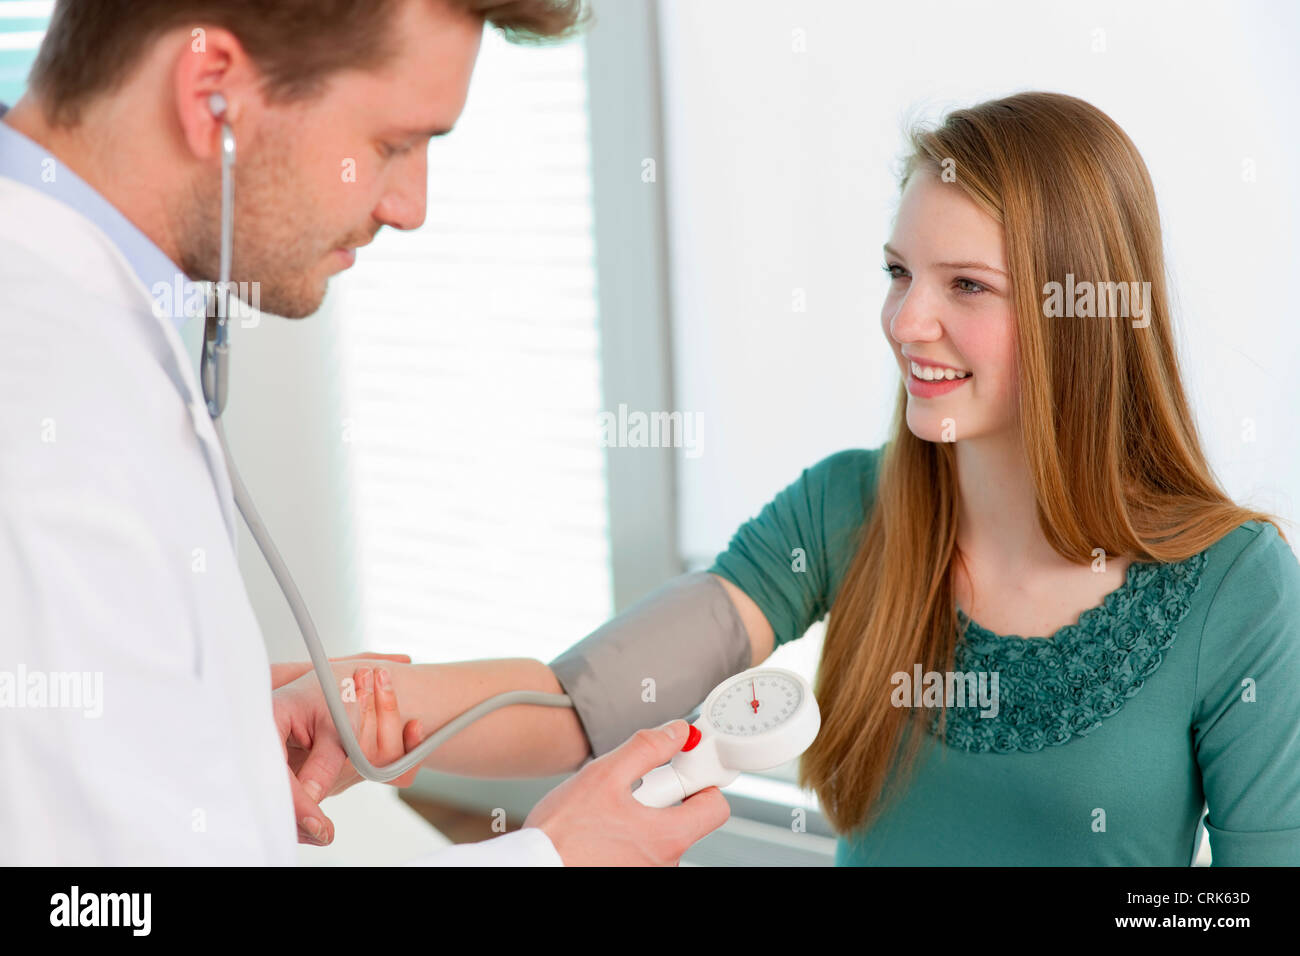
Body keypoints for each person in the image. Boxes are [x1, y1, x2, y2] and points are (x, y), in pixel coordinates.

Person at [289, 91, 1300, 866]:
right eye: (898, 272)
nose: (907, 321)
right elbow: (579, 701)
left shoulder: (1234, 580)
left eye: (965, 286)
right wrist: (363, 701)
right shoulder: (846, 510)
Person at [0, 0, 728, 866]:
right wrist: (553, 857)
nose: (409, 205)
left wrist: (211, 760)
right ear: (211, 92)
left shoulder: (90, 326)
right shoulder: (52, 429)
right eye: (391, 144)